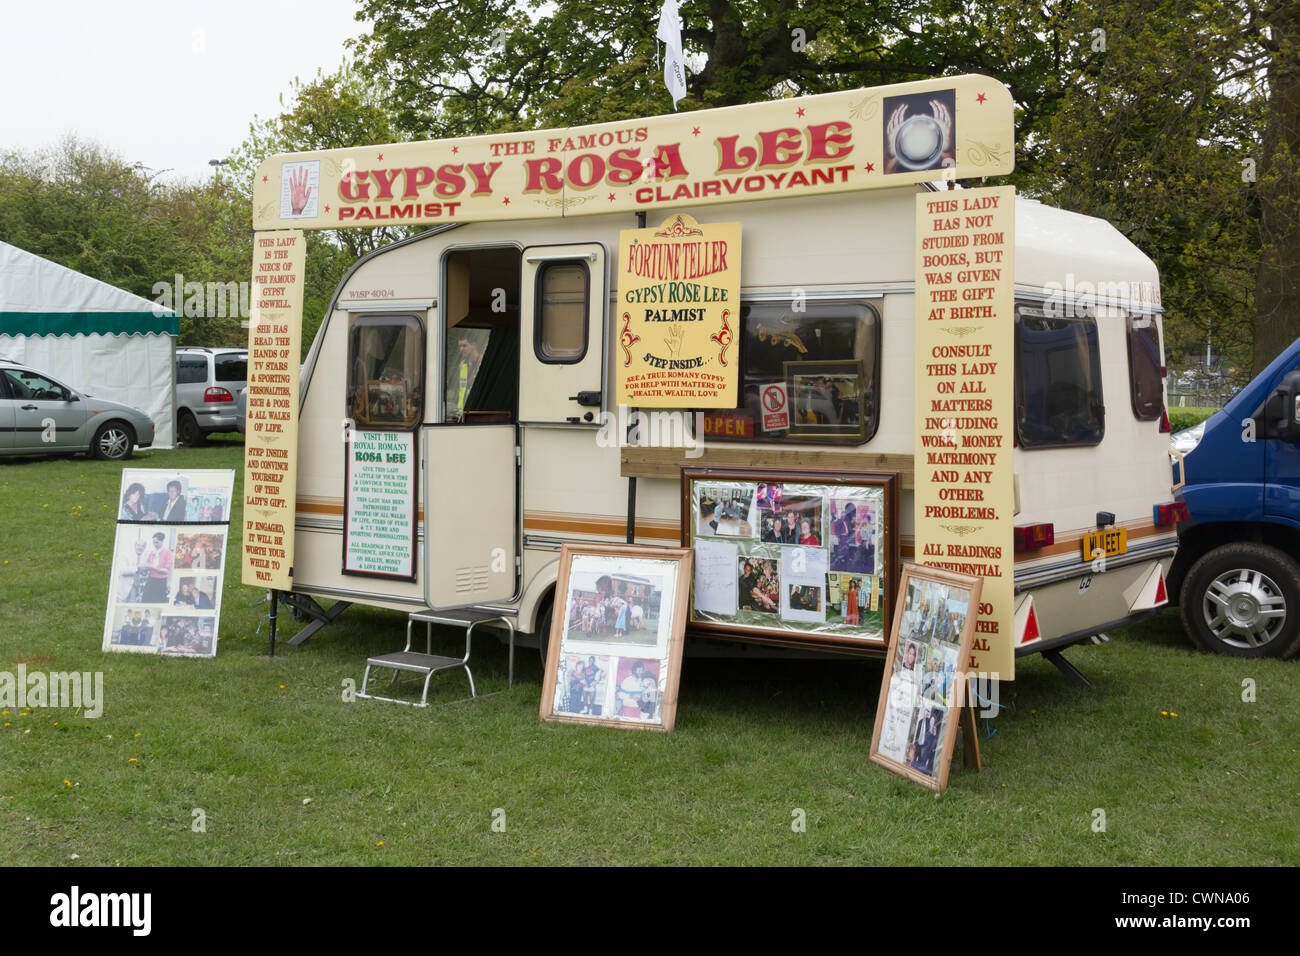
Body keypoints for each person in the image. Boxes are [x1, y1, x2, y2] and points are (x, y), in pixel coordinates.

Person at [141, 533, 172, 603]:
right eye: (153, 543)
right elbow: (148, 564)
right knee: (147, 600)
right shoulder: (152, 552)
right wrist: (145, 567)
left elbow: (166, 571)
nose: (155, 544)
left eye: (156, 542)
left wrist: (153, 568)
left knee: (158, 600)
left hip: (161, 582)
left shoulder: (168, 553)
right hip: (151, 580)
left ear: (162, 541)